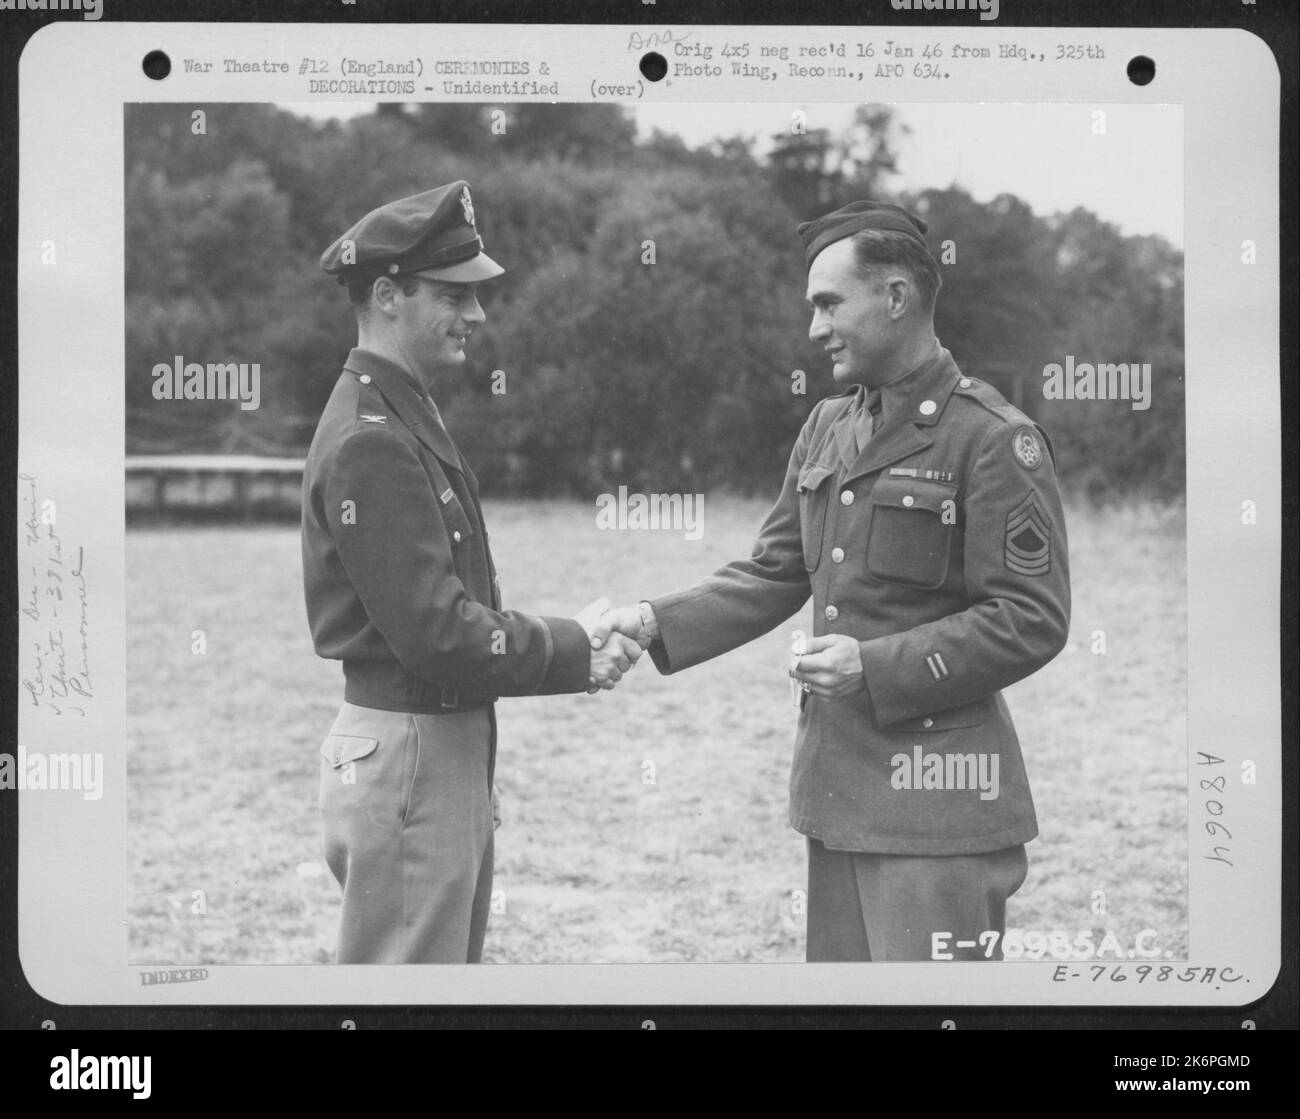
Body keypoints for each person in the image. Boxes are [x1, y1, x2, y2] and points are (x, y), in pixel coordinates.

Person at [595, 200, 1071, 962]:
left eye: (827, 303)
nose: (813, 328)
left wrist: (871, 665)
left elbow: (1031, 618)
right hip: (837, 794)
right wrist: (651, 619)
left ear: (895, 298)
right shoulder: (827, 424)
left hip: (938, 810)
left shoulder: (991, 437)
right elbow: (774, 569)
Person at [302, 182, 642, 964]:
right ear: (387, 295)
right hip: (413, 749)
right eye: (455, 294)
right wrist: (572, 646)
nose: (478, 314)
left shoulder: (396, 410)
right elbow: (437, 633)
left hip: (435, 744)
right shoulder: (374, 436)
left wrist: (570, 641)